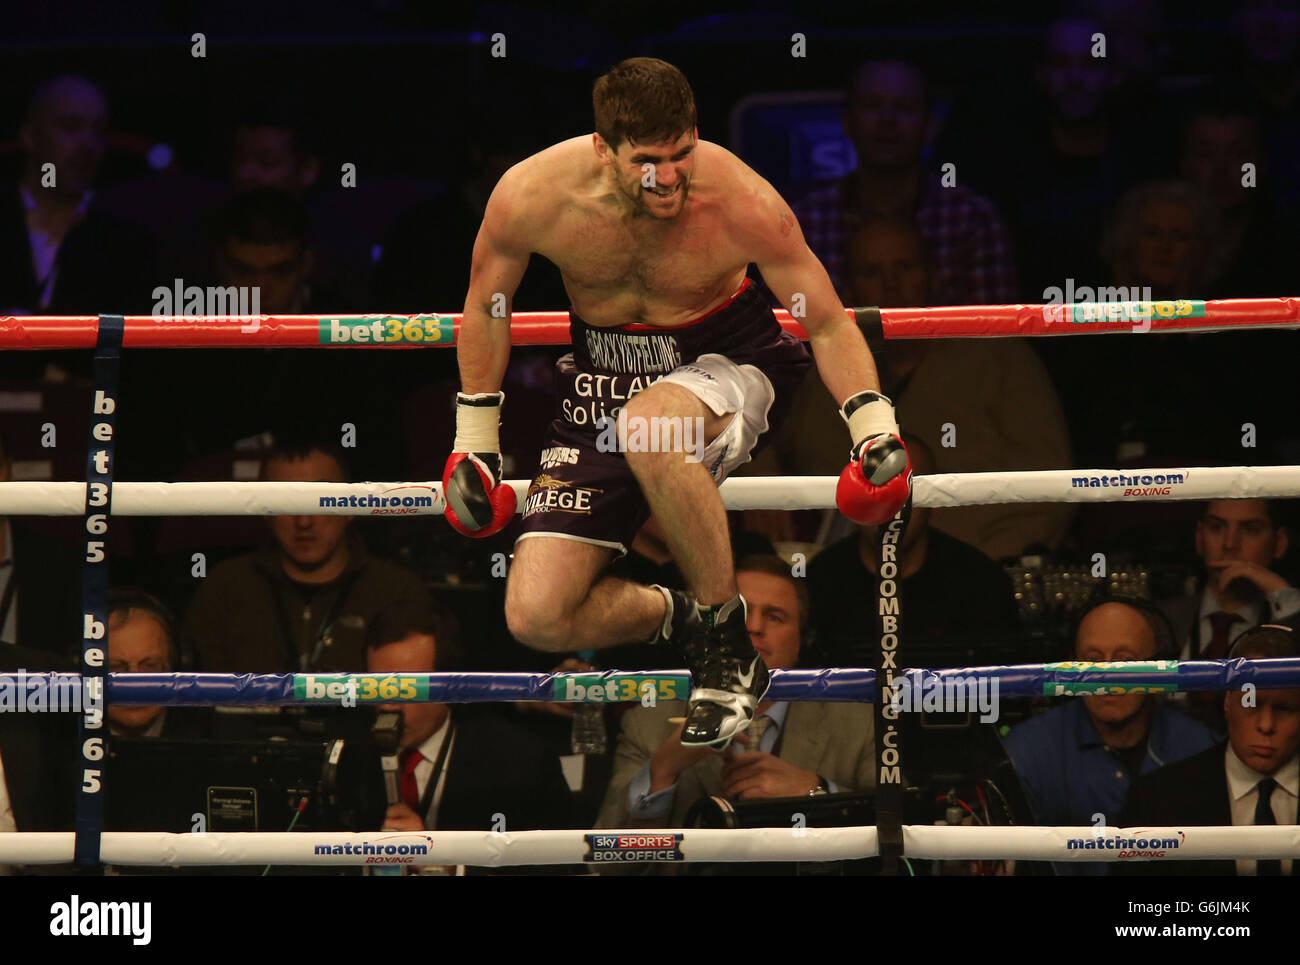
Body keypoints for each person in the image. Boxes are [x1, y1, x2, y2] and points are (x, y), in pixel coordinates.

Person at [442, 57, 912, 749]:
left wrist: (873, 426)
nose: (667, 177)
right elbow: (487, 304)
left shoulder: (741, 199)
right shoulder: (532, 195)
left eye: (681, 153)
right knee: (537, 614)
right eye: (646, 161)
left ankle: (726, 649)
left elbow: (828, 321)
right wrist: (474, 438)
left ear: (696, 133)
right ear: (603, 148)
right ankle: (685, 614)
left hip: (729, 364)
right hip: (598, 383)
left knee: (651, 427)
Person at [596, 555, 874, 837]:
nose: (753, 627)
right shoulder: (647, 723)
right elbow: (605, 867)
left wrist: (816, 792)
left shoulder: (858, 722)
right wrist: (661, 771)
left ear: (802, 640)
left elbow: (905, 827)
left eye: (774, 616)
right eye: (738, 614)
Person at [1002, 599, 1217, 875]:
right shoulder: (1025, 753)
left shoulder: (1202, 748)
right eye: (1092, 660)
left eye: (1125, 660)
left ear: (1158, 666)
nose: (1106, 675)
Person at [183, 442, 437, 673]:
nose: (304, 521)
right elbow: (202, 706)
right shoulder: (225, 588)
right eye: (286, 500)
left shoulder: (398, 593)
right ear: (264, 512)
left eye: (321, 499)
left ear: (353, 507)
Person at [792, 59, 1018, 305]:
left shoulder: (971, 218)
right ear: (847, 122)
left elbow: (995, 333)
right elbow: (783, 334)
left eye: (905, 107)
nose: (887, 120)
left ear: (930, 125)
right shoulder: (803, 224)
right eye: (872, 106)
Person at [370, 624, 573, 874]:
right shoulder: (349, 755)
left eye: (406, 689)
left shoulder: (521, 762)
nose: (389, 707)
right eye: (375, 688)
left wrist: (447, 865)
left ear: (447, 686)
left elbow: (559, 867)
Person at [806, 434, 1020, 667]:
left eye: (906, 489)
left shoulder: (981, 581)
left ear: (935, 501)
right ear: (857, 496)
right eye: (876, 485)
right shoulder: (820, 578)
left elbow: (1002, 691)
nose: (891, 505)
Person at [1117, 625, 1300, 876]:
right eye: (1251, 704)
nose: (1265, 725)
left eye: (1284, 709)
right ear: (1228, 702)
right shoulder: (1156, 800)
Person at [1160, 500, 1300, 662]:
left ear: (1279, 543)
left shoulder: (1288, 614)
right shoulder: (1163, 619)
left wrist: (1280, 591)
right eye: (1216, 527)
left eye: (1251, 530)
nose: (1230, 544)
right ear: (1199, 538)